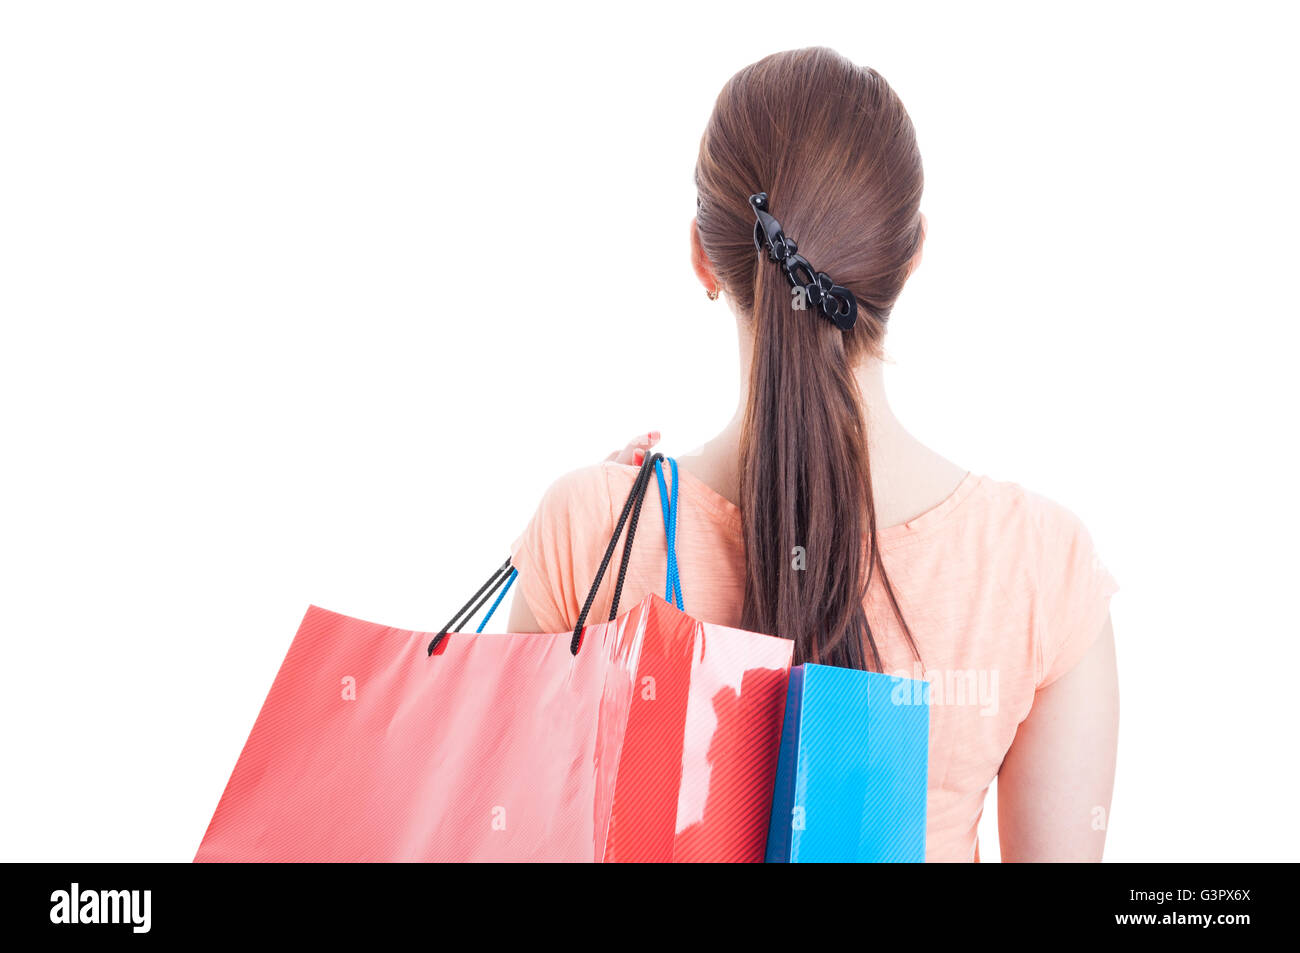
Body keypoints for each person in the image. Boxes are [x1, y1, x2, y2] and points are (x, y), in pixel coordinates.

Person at [507, 47, 1118, 863]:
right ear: (911, 253)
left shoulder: (589, 531)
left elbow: (512, 832)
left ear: (703, 255)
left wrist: (607, 526)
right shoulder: (1042, 564)